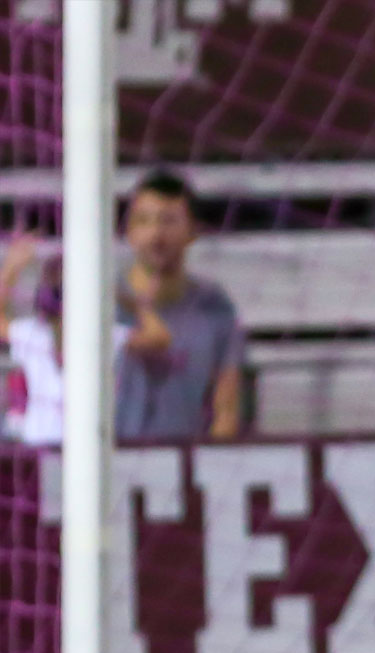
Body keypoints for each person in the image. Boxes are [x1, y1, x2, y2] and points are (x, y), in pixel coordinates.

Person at [0, 234, 170, 447]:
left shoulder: (98, 333)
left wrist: (11, 269)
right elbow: (159, 336)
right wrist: (129, 301)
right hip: (60, 441)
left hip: (75, 442)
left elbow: (160, 339)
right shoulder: (37, 332)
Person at [114, 169, 247, 441]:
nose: (156, 234)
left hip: (184, 465)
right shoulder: (101, 304)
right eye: (143, 221)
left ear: (193, 231)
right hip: (107, 466)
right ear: (128, 231)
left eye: (168, 221)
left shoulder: (215, 306)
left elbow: (227, 409)